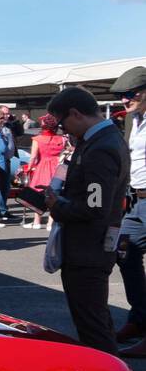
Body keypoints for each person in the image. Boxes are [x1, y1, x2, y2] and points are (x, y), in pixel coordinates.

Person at [44, 86, 130, 354]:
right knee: (96, 321)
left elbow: (94, 207)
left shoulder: (100, 147)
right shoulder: (102, 139)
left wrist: (57, 207)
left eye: (63, 124)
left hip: (87, 248)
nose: (64, 131)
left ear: (75, 113)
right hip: (91, 246)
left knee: (93, 327)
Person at [111, 68, 146, 356]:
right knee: (123, 250)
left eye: (131, 94)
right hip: (137, 200)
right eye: (121, 96)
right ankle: (139, 320)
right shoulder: (132, 120)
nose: (124, 100)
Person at [22, 113, 66, 231]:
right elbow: (64, 154)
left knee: (38, 193)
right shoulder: (62, 139)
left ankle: (36, 221)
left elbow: (33, 157)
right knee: (55, 194)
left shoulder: (37, 139)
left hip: (42, 166)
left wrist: (29, 167)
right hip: (58, 167)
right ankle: (50, 224)